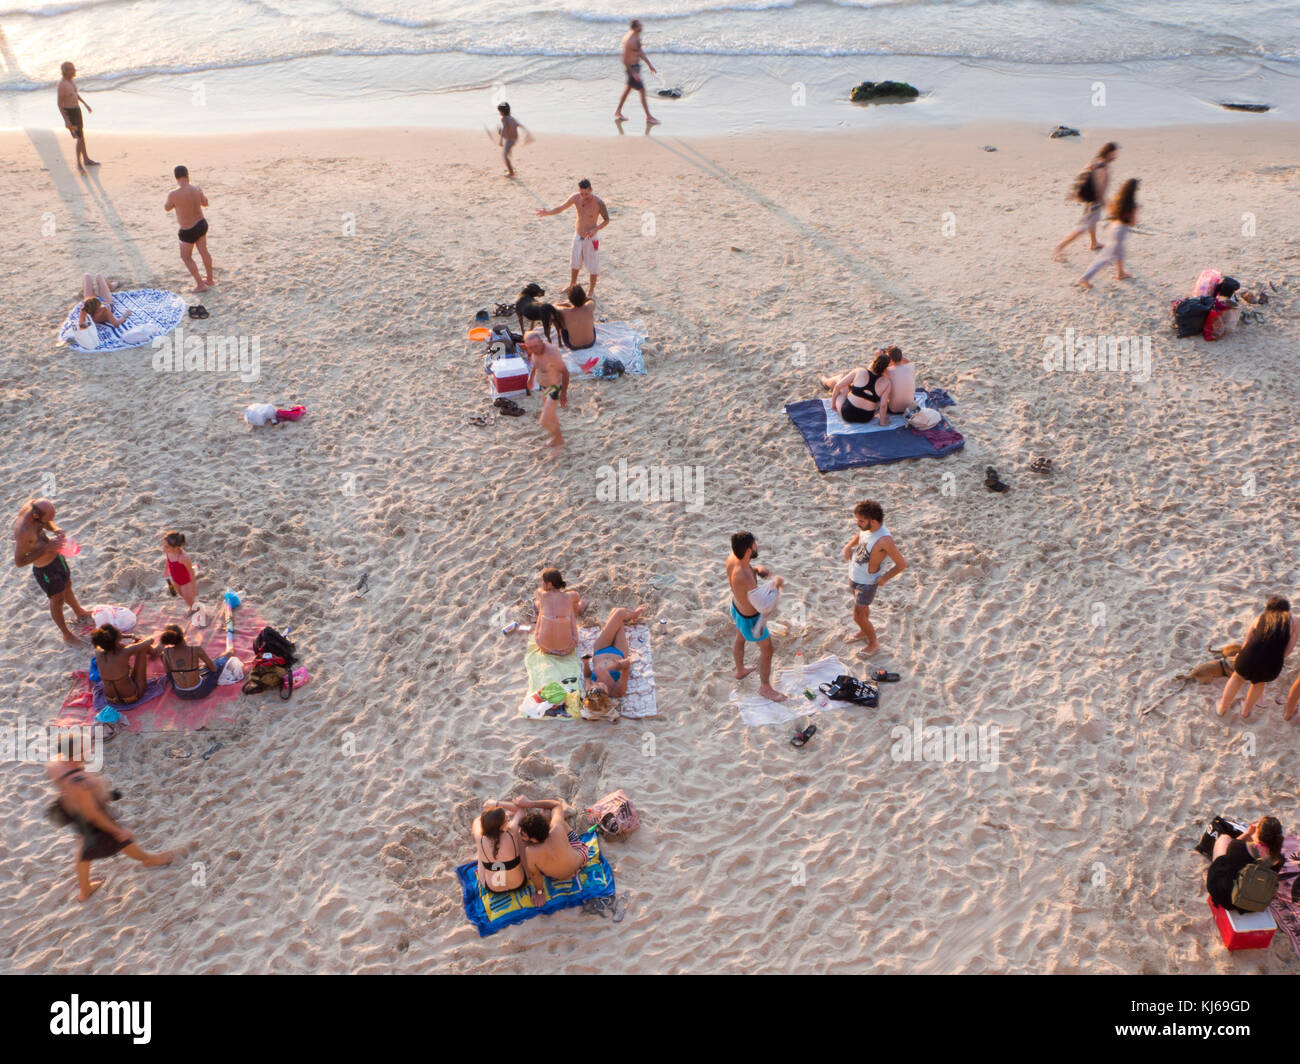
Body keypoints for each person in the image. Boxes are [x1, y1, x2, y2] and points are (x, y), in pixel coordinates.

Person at [47, 734, 175, 901]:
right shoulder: (79, 781)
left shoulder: (58, 765)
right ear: (74, 755)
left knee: (84, 851)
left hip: (75, 814)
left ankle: (85, 891)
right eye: (84, 749)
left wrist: (104, 794)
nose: (89, 751)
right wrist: (116, 830)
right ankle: (149, 860)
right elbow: (93, 814)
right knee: (122, 840)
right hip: (92, 819)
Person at [12, 498, 92, 644]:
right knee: (57, 600)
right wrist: (46, 548)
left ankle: (79, 612)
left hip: (57, 558)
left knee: (67, 584)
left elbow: (46, 522)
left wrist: (56, 529)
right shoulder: (23, 532)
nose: (51, 520)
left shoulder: (34, 508)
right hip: (45, 570)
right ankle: (66, 634)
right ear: (36, 516)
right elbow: (19, 562)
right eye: (49, 518)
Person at [727, 532, 786, 702]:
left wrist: (757, 569)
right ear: (747, 550)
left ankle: (740, 670)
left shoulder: (733, 558)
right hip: (750, 618)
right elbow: (763, 606)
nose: (756, 546)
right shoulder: (745, 577)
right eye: (754, 545)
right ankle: (765, 687)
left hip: (736, 608)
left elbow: (747, 571)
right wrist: (776, 585)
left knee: (739, 637)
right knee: (767, 650)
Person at [843, 500, 907, 655]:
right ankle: (864, 631)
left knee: (857, 616)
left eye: (861, 521)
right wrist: (848, 546)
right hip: (855, 576)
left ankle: (873, 643)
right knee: (863, 612)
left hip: (867, 583)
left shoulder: (885, 540)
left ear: (872, 521)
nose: (858, 523)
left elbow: (901, 564)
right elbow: (860, 535)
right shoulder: (867, 528)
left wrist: (884, 578)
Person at [1217, 596, 1296, 719]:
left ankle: (1222, 708)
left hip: (1249, 656)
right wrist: (1276, 658)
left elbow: (1247, 642)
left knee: (1237, 678)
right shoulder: (1291, 624)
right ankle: (1245, 712)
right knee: (1258, 684)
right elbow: (1289, 650)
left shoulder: (1259, 618)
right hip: (1271, 664)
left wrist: (1241, 656)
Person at [535, 178, 609, 298]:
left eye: (586, 193)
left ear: (591, 190)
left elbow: (607, 220)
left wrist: (596, 229)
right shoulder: (575, 198)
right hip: (578, 236)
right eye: (581, 193)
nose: (584, 196)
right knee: (575, 262)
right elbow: (560, 208)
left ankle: (591, 290)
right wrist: (547, 212)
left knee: (593, 265)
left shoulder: (598, 203)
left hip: (592, 239)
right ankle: (572, 284)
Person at [1054, 142, 1118, 259]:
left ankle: (1094, 243)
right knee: (1081, 229)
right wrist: (1107, 207)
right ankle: (1059, 247)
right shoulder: (1102, 168)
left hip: (1091, 201)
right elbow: (1100, 191)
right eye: (1114, 154)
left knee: (1092, 222)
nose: (1115, 156)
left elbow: (1082, 176)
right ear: (1108, 153)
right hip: (1094, 202)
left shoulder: (1096, 161)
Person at [1206, 816, 1284, 912]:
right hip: (1253, 906)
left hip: (1227, 898)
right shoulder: (1279, 859)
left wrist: (1248, 833)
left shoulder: (1240, 847)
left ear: (1259, 832)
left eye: (1257, 825)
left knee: (1224, 839)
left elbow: (1232, 846)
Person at [1076, 177, 1139, 290]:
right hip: (1121, 231)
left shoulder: (1118, 198)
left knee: (1120, 252)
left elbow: (1110, 209)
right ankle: (1085, 278)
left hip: (1113, 227)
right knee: (1105, 257)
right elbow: (1133, 222)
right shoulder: (1132, 205)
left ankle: (1121, 273)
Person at [516, 797, 590, 892]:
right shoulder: (557, 827)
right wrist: (530, 803)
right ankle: (565, 812)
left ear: (534, 839)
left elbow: (535, 875)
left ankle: (565, 812)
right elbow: (556, 804)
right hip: (580, 861)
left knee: (547, 814)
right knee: (549, 813)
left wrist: (539, 892)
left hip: (559, 876)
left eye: (523, 834)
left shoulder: (530, 852)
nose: (521, 833)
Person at [165, 165, 215, 293]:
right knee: (204, 251)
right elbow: (205, 203)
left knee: (186, 257)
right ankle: (209, 279)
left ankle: (200, 284)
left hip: (187, 230)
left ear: (176, 177)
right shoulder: (196, 189)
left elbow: (167, 207)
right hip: (201, 223)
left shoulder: (173, 194)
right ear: (188, 175)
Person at [583, 604, 646, 700]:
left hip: (600, 649)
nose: (597, 683)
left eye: (594, 686)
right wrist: (614, 666)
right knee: (617, 612)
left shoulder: (591, 692)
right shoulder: (618, 690)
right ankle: (633, 615)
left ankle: (627, 616)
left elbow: (587, 677)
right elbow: (628, 664)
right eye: (601, 687)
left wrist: (586, 663)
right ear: (606, 694)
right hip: (618, 652)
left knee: (616, 613)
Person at [472, 800, 531, 899]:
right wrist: (497, 803)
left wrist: (489, 816)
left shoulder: (479, 837)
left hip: (493, 888)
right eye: (506, 819)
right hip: (519, 884)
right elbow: (521, 810)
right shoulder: (512, 832)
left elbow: (477, 820)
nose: (508, 819)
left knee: (480, 851)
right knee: (518, 839)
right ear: (502, 826)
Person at [91, 623, 159, 708]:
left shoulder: (98, 651)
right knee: (142, 648)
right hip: (132, 697)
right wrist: (135, 639)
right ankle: (155, 653)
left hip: (110, 698)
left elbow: (113, 644)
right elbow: (150, 640)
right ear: (117, 637)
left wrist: (123, 637)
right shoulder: (125, 652)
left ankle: (152, 652)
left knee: (130, 646)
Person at [524, 330, 570, 449]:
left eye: (536, 346)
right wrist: (531, 378)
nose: (534, 349)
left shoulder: (551, 355)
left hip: (554, 387)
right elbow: (536, 363)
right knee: (551, 416)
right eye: (531, 347)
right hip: (543, 387)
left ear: (542, 342)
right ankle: (557, 438)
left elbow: (565, 372)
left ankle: (558, 440)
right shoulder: (534, 351)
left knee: (544, 420)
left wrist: (564, 394)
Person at [158, 625, 230, 701]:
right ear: (183, 634)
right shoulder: (196, 650)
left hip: (180, 693)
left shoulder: (165, 653)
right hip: (200, 691)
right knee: (218, 664)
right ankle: (228, 655)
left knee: (177, 673)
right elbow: (214, 669)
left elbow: (168, 672)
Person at [822, 351, 893, 425]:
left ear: (874, 361)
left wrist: (833, 404)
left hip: (848, 414)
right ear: (886, 368)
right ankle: (826, 382)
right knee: (845, 387)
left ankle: (825, 381)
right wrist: (882, 422)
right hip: (866, 417)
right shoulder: (886, 383)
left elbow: (837, 386)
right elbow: (883, 405)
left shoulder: (860, 371)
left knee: (841, 381)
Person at [615, 19, 659, 124]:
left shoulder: (637, 37)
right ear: (635, 28)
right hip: (631, 68)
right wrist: (633, 73)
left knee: (627, 90)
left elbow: (640, 52)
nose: (642, 26)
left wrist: (649, 64)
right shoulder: (629, 40)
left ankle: (618, 111)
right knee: (642, 91)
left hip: (636, 67)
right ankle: (648, 116)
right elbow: (624, 59)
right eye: (640, 25)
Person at [56, 61, 97, 173]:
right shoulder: (62, 85)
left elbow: (75, 94)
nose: (75, 71)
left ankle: (86, 159)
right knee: (79, 138)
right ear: (67, 71)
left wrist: (85, 104)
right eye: (73, 69)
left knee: (81, 136)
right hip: (70, 113)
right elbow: (59, 104)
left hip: (77, 110)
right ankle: (79, 163)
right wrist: (66, 121)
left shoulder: (71, 81)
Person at [534, 568, 583, 655]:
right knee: (570, 607)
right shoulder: (568, 596)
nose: (541, 584)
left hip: (544, 647)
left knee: (540, 605)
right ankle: (580, 610)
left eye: (543, 582)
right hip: (566, 648)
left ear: (549, 584)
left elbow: (538, 592)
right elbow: (577, 596)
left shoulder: (542, 595)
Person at [161, 530, 199, 610]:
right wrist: (166, 569)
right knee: (181, 594)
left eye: (166, 547)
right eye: (163, 545)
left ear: (175, 548)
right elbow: (168, 561)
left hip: (185, 581)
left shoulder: (183, 557)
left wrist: (193, 588)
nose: (163, 548)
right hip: (175, 579)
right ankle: (192, 605)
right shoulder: (169, 552)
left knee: (187, 598)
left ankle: (196, 609)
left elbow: (191, 573)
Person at [555, 284, 597, 351]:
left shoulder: (565, 311)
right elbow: (592, 299)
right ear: (584, 296)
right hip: (591, 343)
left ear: (570, 299)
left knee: (562, 321)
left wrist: (565, 304)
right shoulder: (590, 306)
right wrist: (585, 298)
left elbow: (555, 306)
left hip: (573, 346)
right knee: (589, 320)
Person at [496, 102, 528, 178]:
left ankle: (511, 172)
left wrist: (500, 140)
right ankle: (509, 155)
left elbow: (504, 128)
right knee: (508, 151)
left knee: (504, 156)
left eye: (499, 111)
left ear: (501, 112)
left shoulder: (504, 119)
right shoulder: (512, 118)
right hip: (515, 139)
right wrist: (526, 132)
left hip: (509, 139)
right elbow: (519, 124)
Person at [883, 346, 916, 414]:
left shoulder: (888, 371)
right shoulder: (911, 366)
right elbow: (906, 361)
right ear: (901, 357)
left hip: (894, 409)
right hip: (910, 407)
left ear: (890, 360)